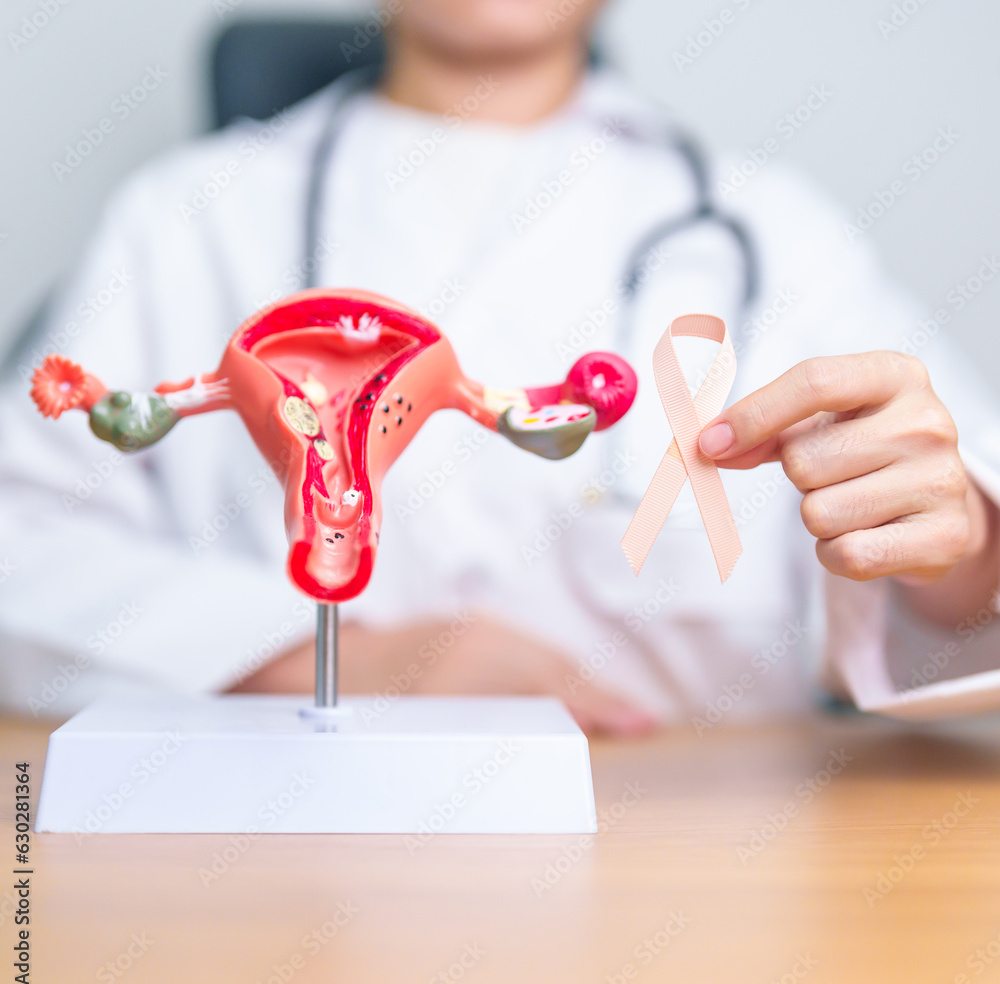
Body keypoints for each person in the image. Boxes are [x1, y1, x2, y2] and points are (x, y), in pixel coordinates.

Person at [1, 0, 999, 733]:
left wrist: (956, 550)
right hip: (294, 853)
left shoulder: (774, 231)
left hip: (699, 864)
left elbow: (955, 592)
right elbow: (20, 552)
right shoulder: (187, 217)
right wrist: (330, 658)